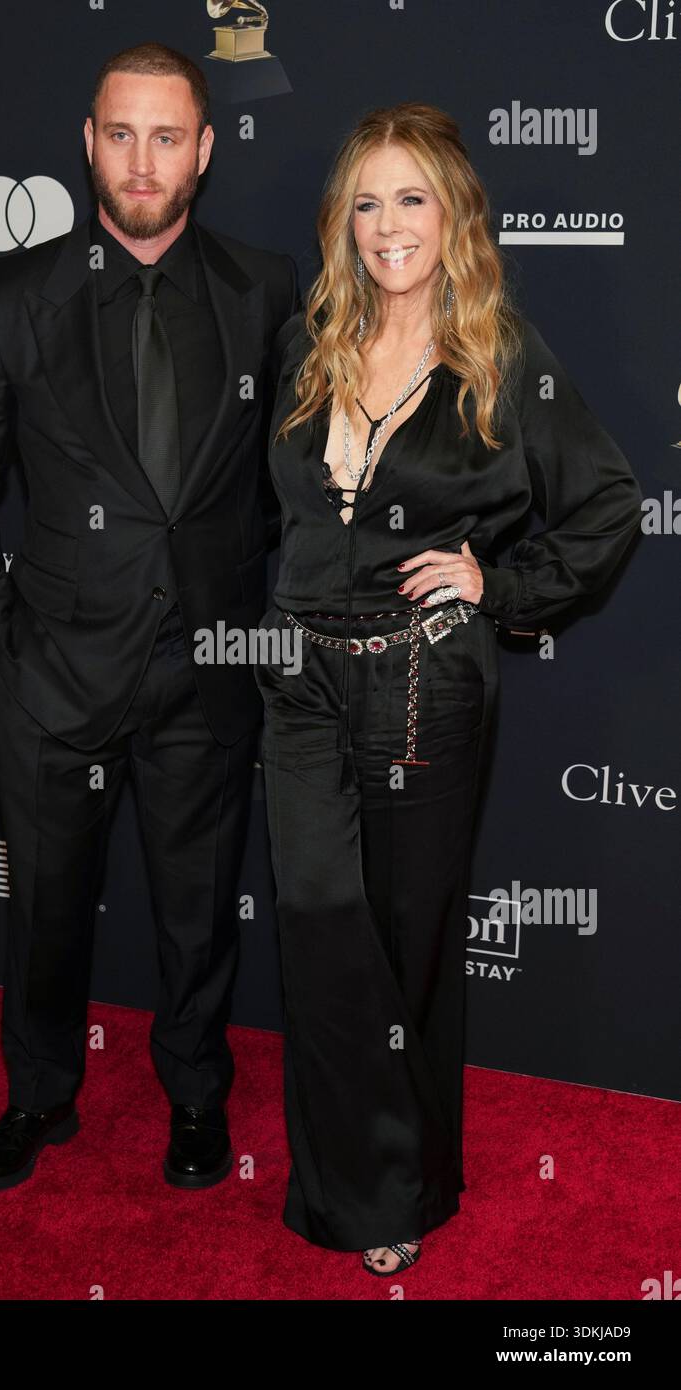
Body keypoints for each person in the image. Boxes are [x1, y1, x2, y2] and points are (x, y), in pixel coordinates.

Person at [255, 103, 642, 1277]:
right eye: (364, 202)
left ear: (453, 214)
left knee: (405, 942)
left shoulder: (498, 358)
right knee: (322, 932)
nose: (387, 225)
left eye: (410, 198)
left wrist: (496, 579)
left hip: (424, 683)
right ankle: (344, 1172)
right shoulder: (309, 340)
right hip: (297, 681)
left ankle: (398, 1185)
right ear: (342, 223)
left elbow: (607, 503)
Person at [0, 43, 298, 1193]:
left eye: (167, 135)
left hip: (207, 672)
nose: (143, 160)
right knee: (41, 912)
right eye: (121, 133)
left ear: (206, 148)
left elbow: (294, 484)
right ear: (87, 142)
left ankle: (195, 1098)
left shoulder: (265, 290)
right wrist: (1, 646)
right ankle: (39, 1096)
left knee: (198, 914)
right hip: (53, 675)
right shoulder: (7, 297)